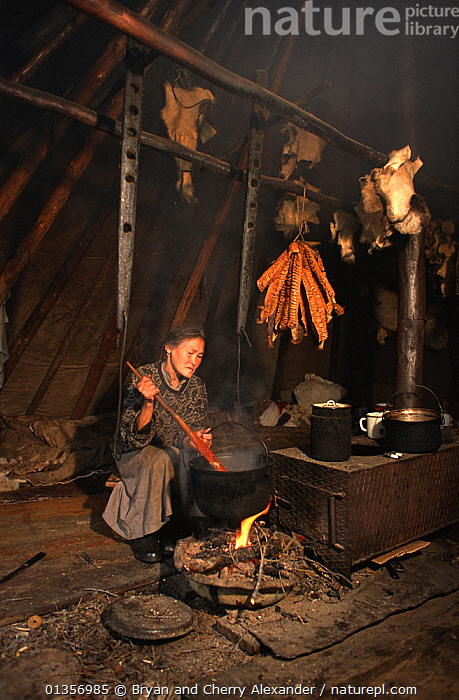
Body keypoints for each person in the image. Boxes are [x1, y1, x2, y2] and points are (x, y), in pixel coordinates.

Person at [103, 323, 212, 564]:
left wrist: (195, 441)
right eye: (190, 352)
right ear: (169, 349)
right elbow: (132, 438)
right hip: (132, 452)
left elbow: (182, 437)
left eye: (200, 356)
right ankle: (144, 532)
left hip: (169, 450)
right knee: (162, 457)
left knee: (189, 457)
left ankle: (175, 528)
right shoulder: (143, 377)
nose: (194, 361)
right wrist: (148, 403)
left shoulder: (197, 387)